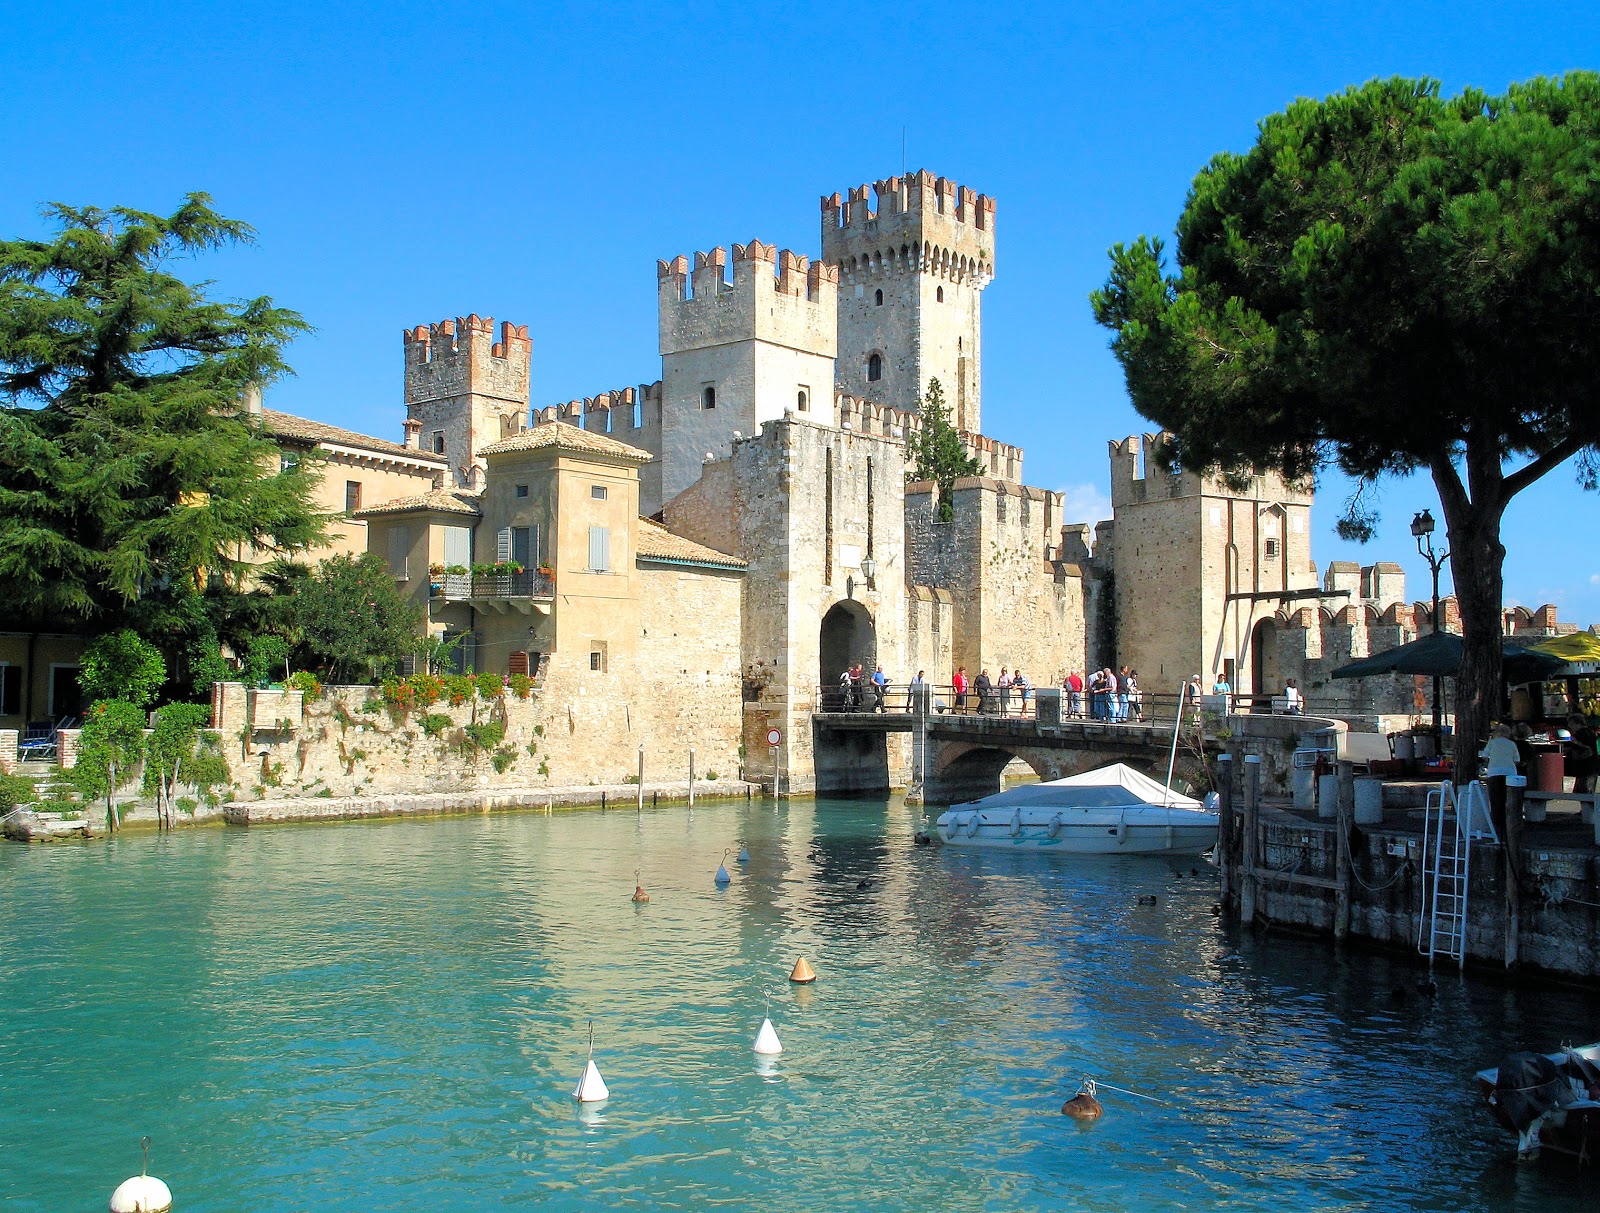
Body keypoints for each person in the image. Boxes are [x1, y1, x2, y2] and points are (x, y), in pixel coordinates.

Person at [1566, 713, 1598, 794]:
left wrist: (1574, 743)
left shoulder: (1580, 734)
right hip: (1592, 767)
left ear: (1575, 723)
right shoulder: (1590, 732)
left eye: (1570, 723)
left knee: (1585, 791)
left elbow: (1583, 749)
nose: (1569, 726)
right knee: (1588, 791)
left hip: (1585, 767)